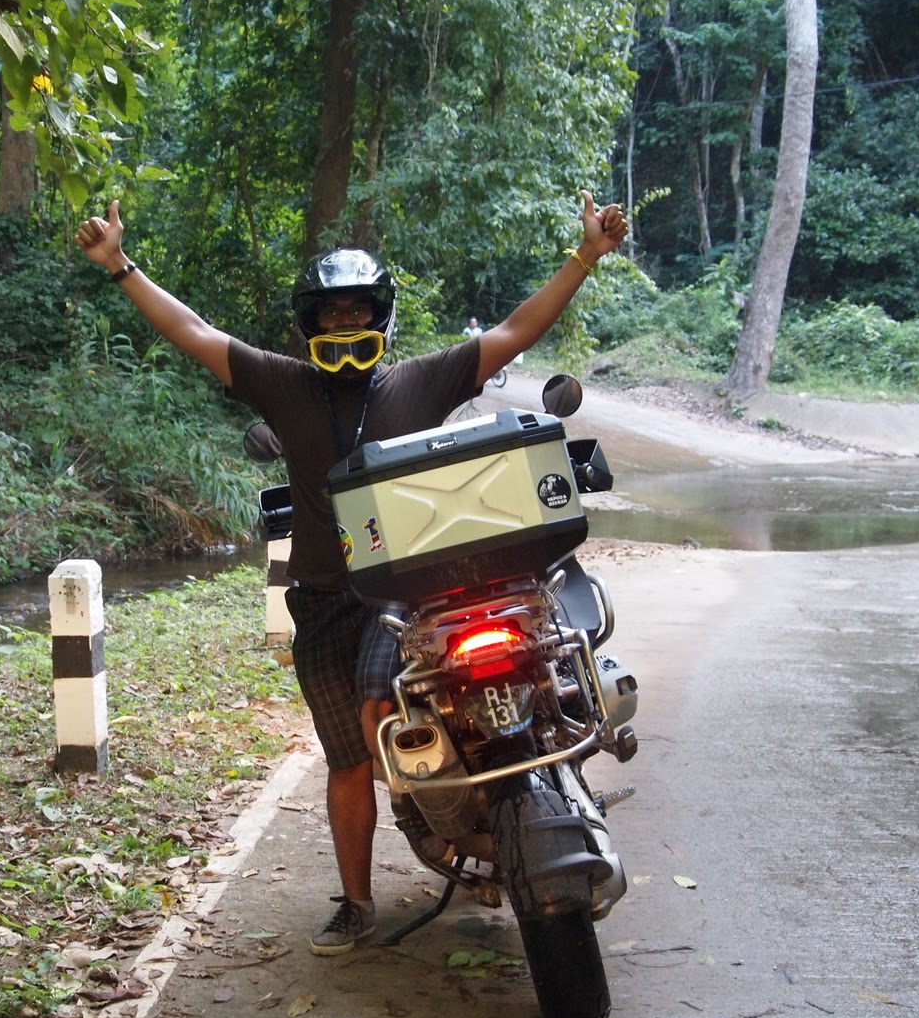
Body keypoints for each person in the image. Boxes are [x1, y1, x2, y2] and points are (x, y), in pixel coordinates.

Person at [74, 192, 628, 955]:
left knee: (381, 712)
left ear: (381, 319)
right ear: (309, 326)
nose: (346, 327)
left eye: (358, 313)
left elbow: (512, 332)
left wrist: (585, 257)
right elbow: (194, 333)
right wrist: (120, 268)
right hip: (320, 602)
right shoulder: (281, 384)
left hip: (399, 600)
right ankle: (356, 903)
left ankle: (503, 805)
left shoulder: (423, 381)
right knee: (345, 761)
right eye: (331, 316)